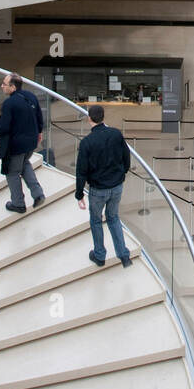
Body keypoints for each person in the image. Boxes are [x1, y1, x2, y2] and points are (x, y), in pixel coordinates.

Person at [75, 104, 132, 268]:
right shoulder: (115, 134)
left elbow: (81, 171)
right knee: (113, 217)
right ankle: (124, 255)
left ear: (89, 118)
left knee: (96, 220)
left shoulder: (87, 143)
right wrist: (123, 173)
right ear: (103, 117)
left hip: (98, 190)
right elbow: (125, 156)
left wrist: (79, 194)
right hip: (116, 186)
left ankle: (100, 255)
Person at [0, 73, 46, 214]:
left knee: (12, 172)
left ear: (13, 87)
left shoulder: (9, 104)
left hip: (17, 145)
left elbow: (4, 127)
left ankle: (18, 203)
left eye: (5, 84)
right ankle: (38, 193)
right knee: (24, 164)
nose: (2, 86)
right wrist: (39, 132)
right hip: (31, 141)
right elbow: (39, 117)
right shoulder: (31, 96)